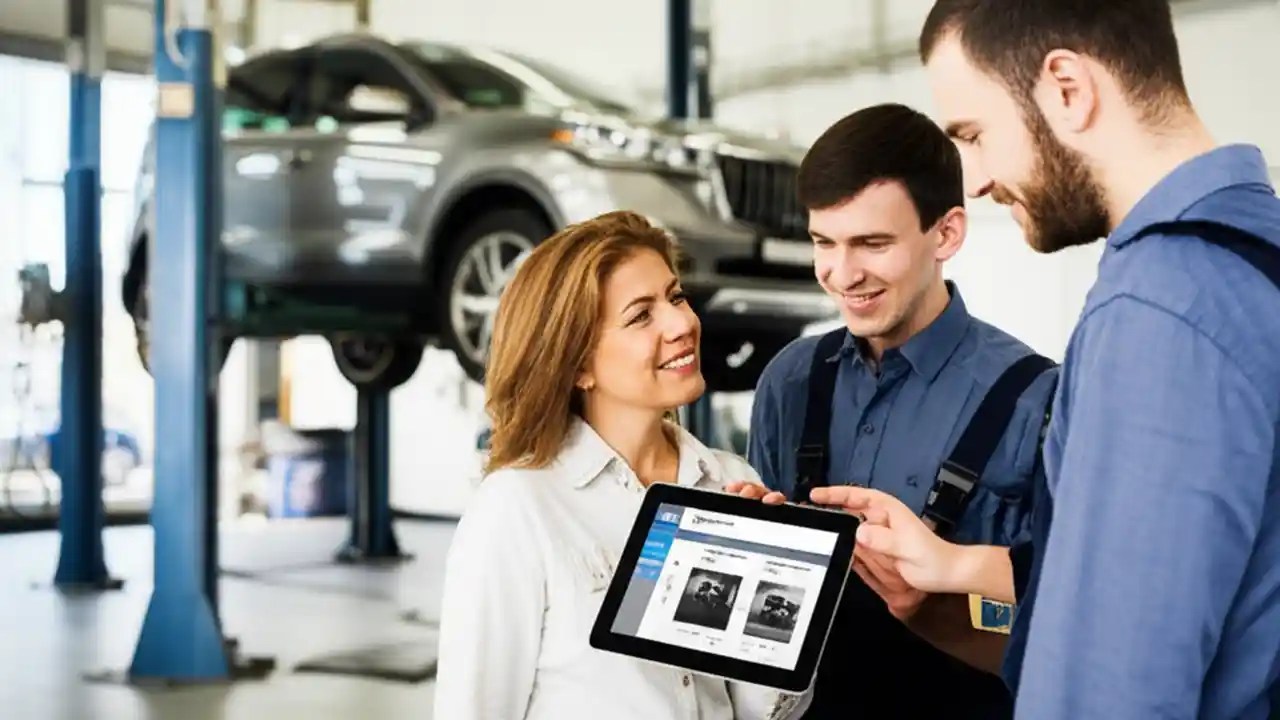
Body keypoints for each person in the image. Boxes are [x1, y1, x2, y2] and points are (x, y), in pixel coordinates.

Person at [807, 1, 1280, 718]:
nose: (975, 181)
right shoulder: (1250, 260)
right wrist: (952, 577)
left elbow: (1112, 685)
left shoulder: (1160, 309)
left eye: (975, 133)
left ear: (1067, 87)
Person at [733, 103, 1058, 719]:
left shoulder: (1038, 400)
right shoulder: (790, 381)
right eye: (823, 242)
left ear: (947, 234)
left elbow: (1059, 626)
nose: (842, 274)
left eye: (872, 243)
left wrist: (939, 604)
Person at [432, 210, 808, 720]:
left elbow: (766, 711)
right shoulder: (519, 505)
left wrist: (769, 603)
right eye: (640, 315)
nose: (682, 323)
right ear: (578, 365)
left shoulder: (730, 480)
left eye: (676, 297)